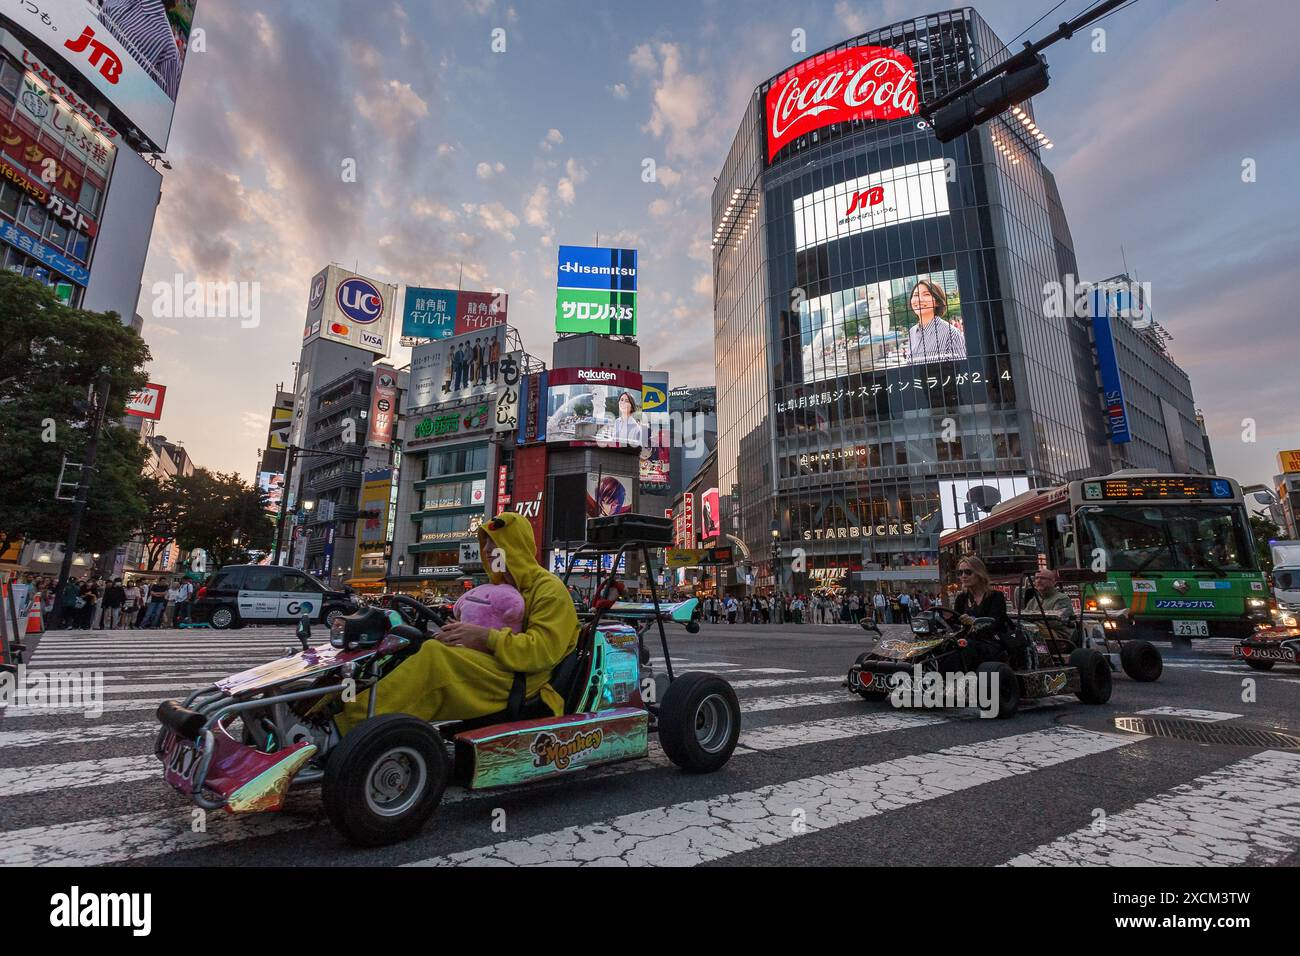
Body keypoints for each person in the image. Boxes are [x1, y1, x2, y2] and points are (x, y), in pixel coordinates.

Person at [337, 512, 578, 734]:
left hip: (523, 680)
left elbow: (542, 652)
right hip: (496, 666)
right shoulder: (498, 588)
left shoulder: (549, 589)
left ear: (515, 547)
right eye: (485, 542)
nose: (487, 549)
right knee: (407, 649)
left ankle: (351, 724)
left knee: (436, 658)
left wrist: (483, 636)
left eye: (495, 542)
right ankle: (339, 705)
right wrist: (457, 632)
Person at [952, 555, 1021, 666]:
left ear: (979, 574)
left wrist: (973, 622)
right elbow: (954, 623)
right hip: (968, 641)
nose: (963, 576)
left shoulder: (995, 596)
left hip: (992, 642)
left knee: (966, 649)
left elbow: (996, 624)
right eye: (960, 573)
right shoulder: (961, 598)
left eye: (968, 572)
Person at [905, 278, 966, 364]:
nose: (919, 299)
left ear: (937, 301)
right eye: (915, 295)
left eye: (926, 294)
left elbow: (961, 370)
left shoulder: (951, 333)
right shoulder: (912, 332)